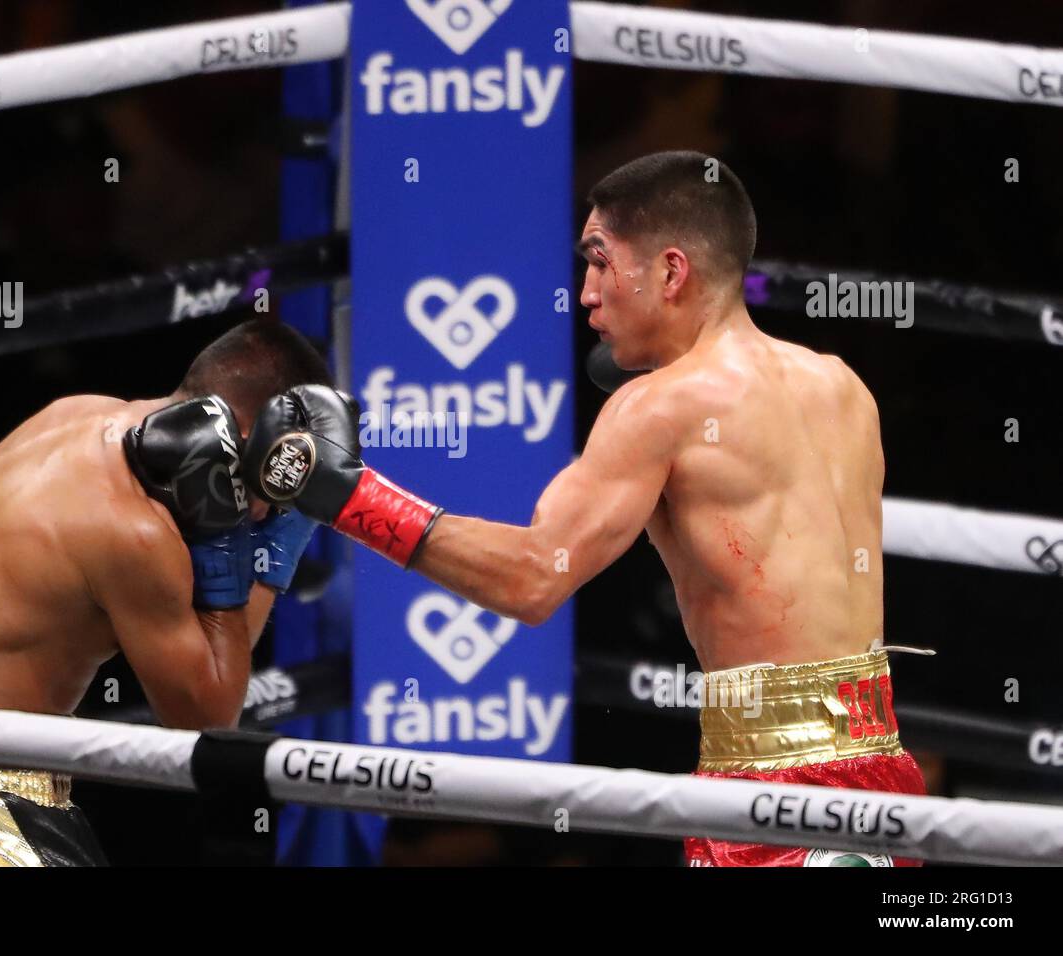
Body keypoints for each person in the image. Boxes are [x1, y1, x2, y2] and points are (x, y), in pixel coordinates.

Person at [245, 151, 927, 867]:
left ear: (671, 272)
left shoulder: (661, 406)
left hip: (776, 795)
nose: (585, 295)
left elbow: (533, 579)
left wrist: (344, 494)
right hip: (879, 771)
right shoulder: (842, 387)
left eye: (601, 263)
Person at [0, 318, 332, 866]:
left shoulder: (80, 412)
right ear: (246, 438)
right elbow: (206, 719)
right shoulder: (133, 530)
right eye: (277, 476)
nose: (272, 502)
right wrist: (276, 547)